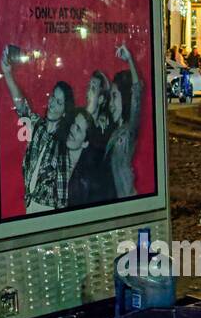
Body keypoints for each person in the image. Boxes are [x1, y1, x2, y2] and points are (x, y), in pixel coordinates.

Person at [1, 46, 73, 214]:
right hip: (30, 204)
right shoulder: (38, 128)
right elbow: (22, 107)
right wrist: (8, 74)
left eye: (59, 102)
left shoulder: (62, 144)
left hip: (47, 209)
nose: (53, 104)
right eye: (53, 97)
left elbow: (62, 197)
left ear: (65, 111)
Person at [103, 44, 142, 198]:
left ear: (125, 98)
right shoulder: (114, 131)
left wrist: (129, 60)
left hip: (128, 199)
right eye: (110, 98)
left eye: (115, 96)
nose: (111, 104)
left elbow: (137, 93)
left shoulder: (129, 130)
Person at [61, 108, 114, 209]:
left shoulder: (89, 178)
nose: (72, 129)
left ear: (85, 143)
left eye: (78, 129)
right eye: (73, 124)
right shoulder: (58, 156)